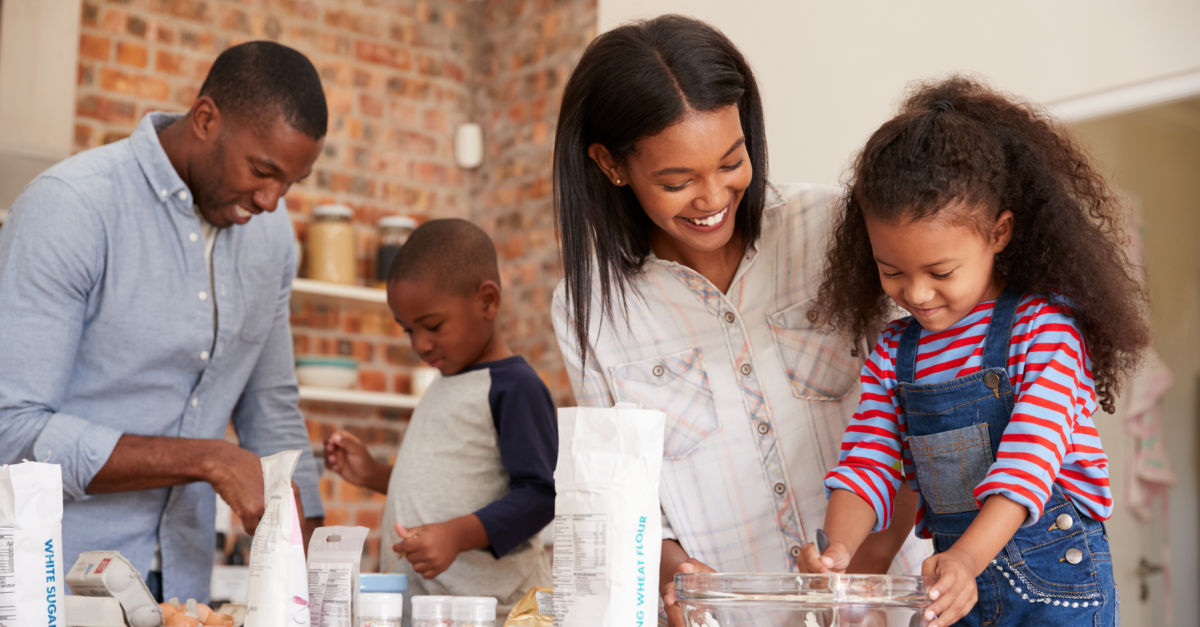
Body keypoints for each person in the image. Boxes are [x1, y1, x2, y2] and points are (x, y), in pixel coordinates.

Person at [549, 14, 931, 623]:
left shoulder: (833, 229)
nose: (712, 199)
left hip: (890, 606)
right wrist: (676, 576)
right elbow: (627, 493)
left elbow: (925, 406)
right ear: (611, 164)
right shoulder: (588, 307)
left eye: (731, 162)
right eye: (677, 181)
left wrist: (849, 590)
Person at [799, 76, 1151, 627]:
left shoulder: (1044, 330)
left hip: (1053, 585)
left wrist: (965, 557)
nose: (915, 293)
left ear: (999, 233)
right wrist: (835, 553)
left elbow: (1027, 462)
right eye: (890, 271)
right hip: (954, 581)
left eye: (940, 272)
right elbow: (866, 461)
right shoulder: (895, 353)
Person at [0, 40, 327, 601]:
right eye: (262, 170)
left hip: (183, 588)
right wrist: (208, 459)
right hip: (55, 585)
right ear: (205, 119)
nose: (273, 201)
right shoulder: (72, 207)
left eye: (290, 184)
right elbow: (13, 432)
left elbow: (270, 410)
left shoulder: (271, 242)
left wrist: (320, 576)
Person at [323, 218, 557, 620]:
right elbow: (448, 485)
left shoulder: (514, 386)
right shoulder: (444, 383)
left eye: (432, 326)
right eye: (407, 330)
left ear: (487, 301)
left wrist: (455, 536)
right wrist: (374, 474)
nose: (420, 344)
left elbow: (539, 497)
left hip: (493, 613)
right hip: (428, 608)